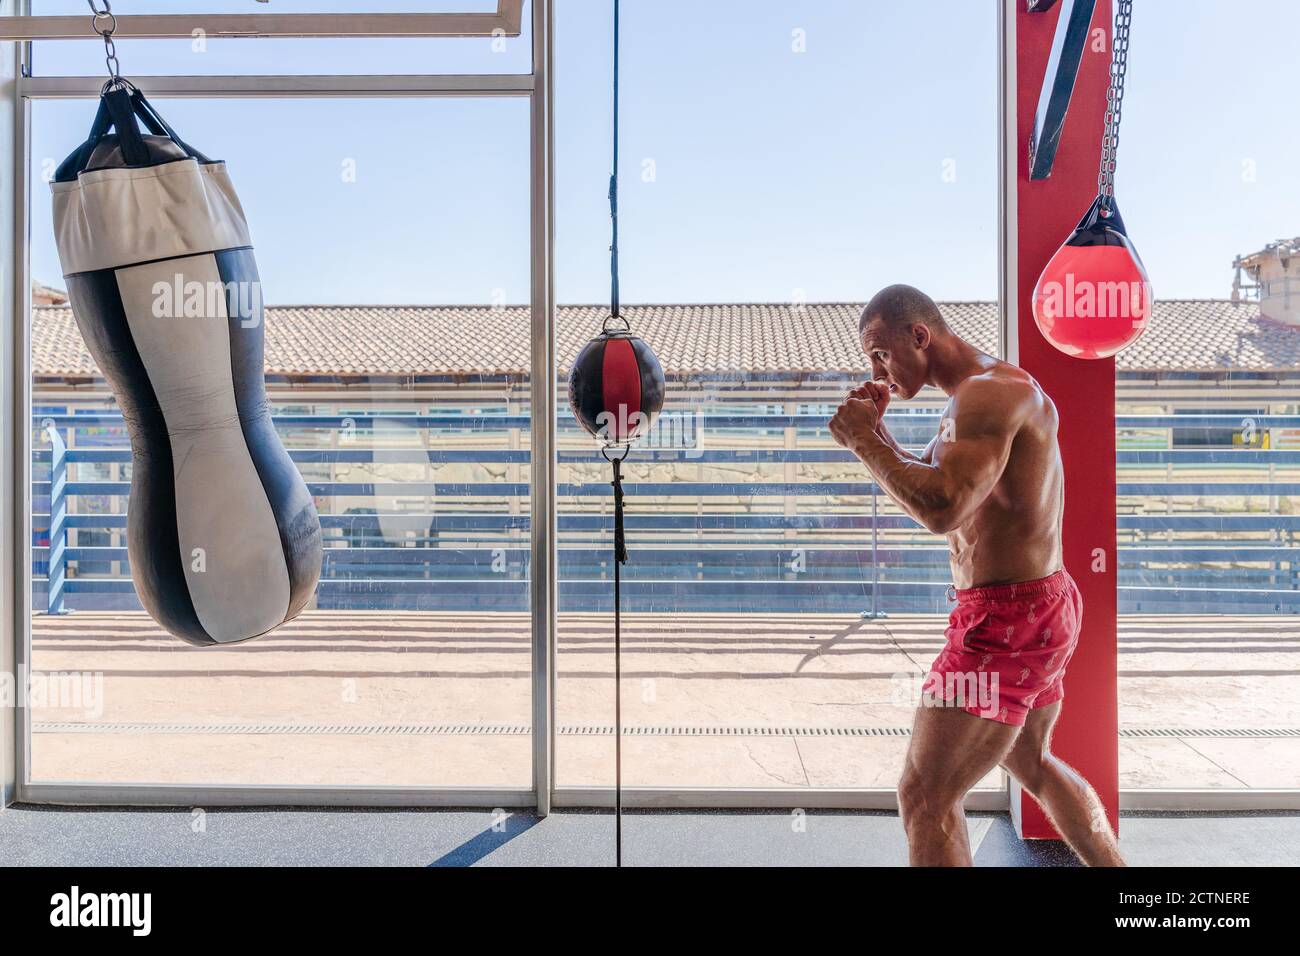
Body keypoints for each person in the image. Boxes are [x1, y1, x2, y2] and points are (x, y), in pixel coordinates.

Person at [828, 284, 1124, 867]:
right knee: (1031, 761)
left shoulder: (989, 395)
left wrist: (863, 440)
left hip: (1006, 623)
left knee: (924, 796)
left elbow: (943, 507)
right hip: (1034, 607)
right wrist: (880, 435)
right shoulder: (974, 397)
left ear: (920, 335)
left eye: (881, 353)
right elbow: (951, 486)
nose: (876, 368)